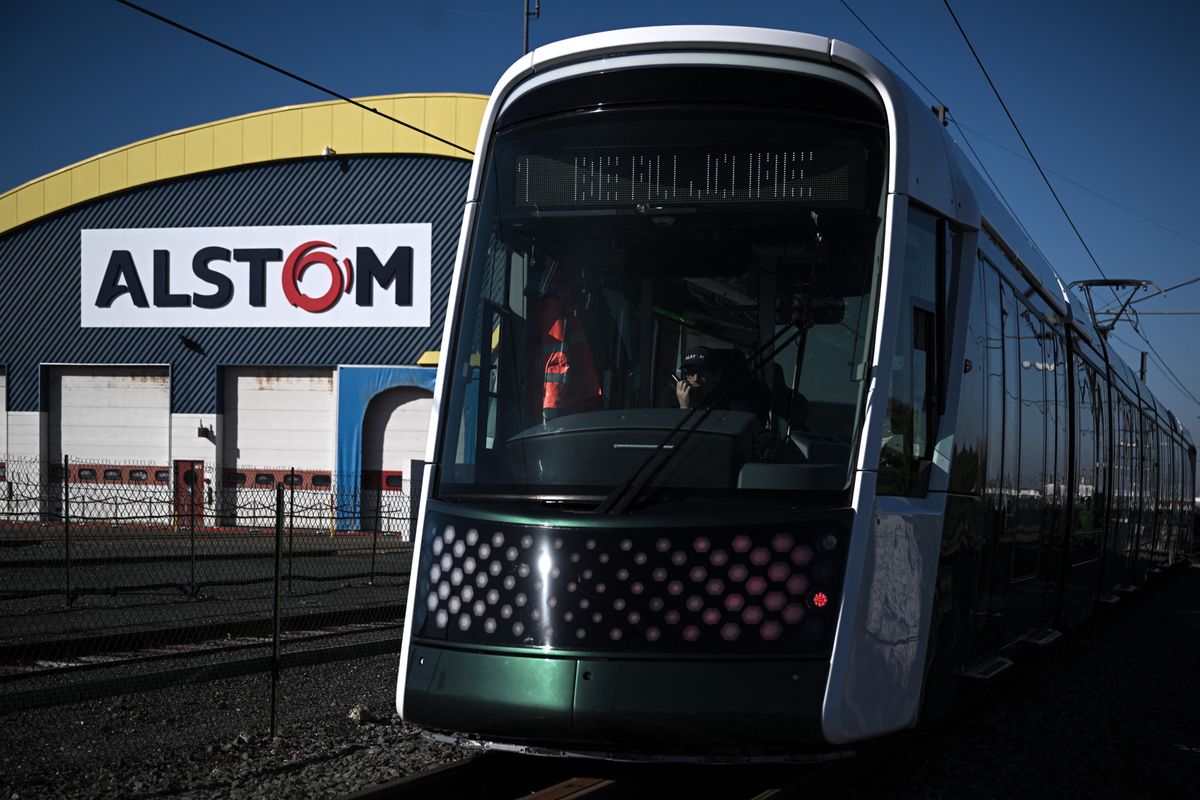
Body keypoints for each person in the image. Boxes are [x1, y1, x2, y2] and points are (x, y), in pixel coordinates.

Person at [675, 346, 771, 426]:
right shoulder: (685, 400)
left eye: (702, 373)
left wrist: (685, 410)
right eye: (691, 373)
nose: (695, 379)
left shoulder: (735, 408)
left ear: (717, 375)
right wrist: (683, 407)